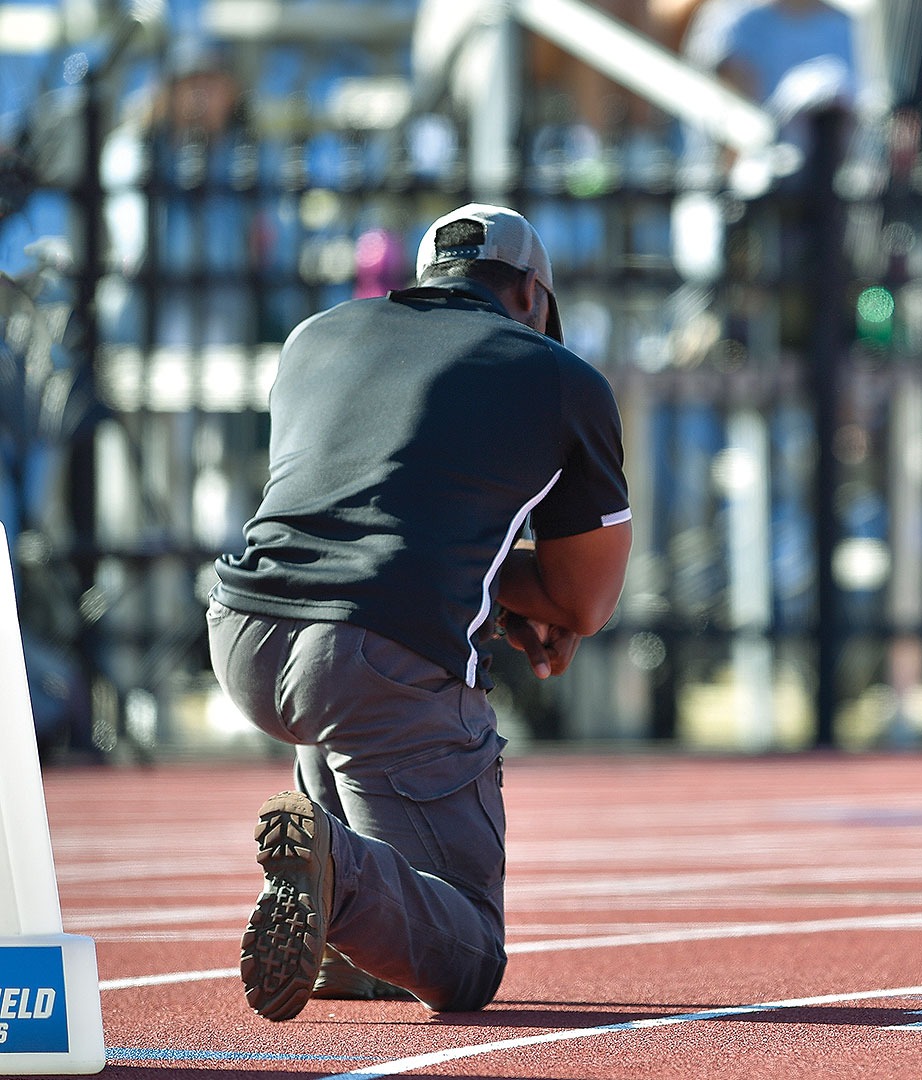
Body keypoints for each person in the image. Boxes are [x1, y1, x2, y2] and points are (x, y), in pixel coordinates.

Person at [206, 204, 632, 1020]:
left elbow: (354, 510)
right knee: (469, 955)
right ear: (534, 297)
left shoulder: (315, 337)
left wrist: (479, 582)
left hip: (242, 630)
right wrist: (516, 598)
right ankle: (338, 877)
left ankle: (347, 939)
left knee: (340, 704)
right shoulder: (556, 373)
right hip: (373, 651)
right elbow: (587, 597)